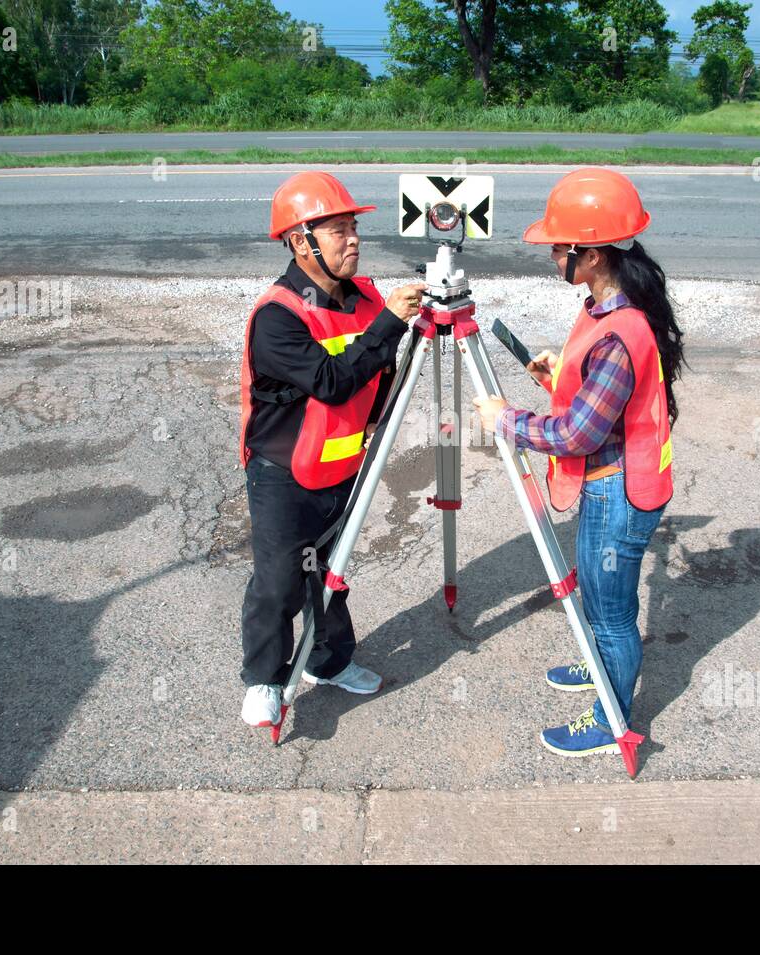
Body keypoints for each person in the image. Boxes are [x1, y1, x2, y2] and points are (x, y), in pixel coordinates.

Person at [472, 167, 685, 757]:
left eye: (559, 248)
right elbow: (599, 404)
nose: (552, 256)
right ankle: (601, 667)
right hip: (614, 479)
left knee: (612, 614)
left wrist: (506, 420)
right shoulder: (604, 309)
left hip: (617, 491)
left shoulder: (620, 331)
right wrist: (558, 378)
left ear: (590, 254)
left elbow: (578, 434)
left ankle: (611, 718)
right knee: (601, 600)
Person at [239, 171, 426, 728]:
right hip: (283, 472)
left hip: (341, 463)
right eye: (339, 229)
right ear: (301, 241)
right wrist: (391, 323)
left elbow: (383, 370)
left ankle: (329, 662)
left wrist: (396, 323)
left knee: (331, 572)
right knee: (279, 580)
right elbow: (332, 381)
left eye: (354, 228)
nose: (354, 240)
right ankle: (265, 680)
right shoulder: (277, 316)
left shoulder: (365, 298)